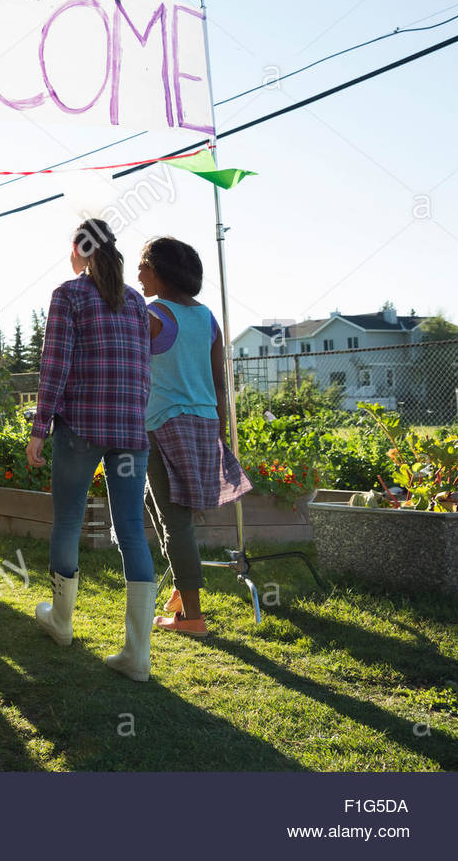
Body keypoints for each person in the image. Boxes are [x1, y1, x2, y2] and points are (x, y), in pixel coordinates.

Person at [27, 219, 157, 682]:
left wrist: (40, 427)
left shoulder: (69, 295)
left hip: (80, 426)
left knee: (67, 519)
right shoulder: (137, 302)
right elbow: (143, 371)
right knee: (132, 532)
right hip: (129, 432)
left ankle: (61, 623)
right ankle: (137, 656)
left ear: (79, 251)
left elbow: (55, 365)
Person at [137, 237, 253, 637]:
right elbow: (219, 382)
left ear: (159, 271)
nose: (137, 275)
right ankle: (181, 589)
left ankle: (192, 618)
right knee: (162, 509)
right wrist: (219, 427)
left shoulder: (152, 316)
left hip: (164, 425)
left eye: (142, 267)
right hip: (203, 422)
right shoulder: (207, 318)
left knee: (174, 521)